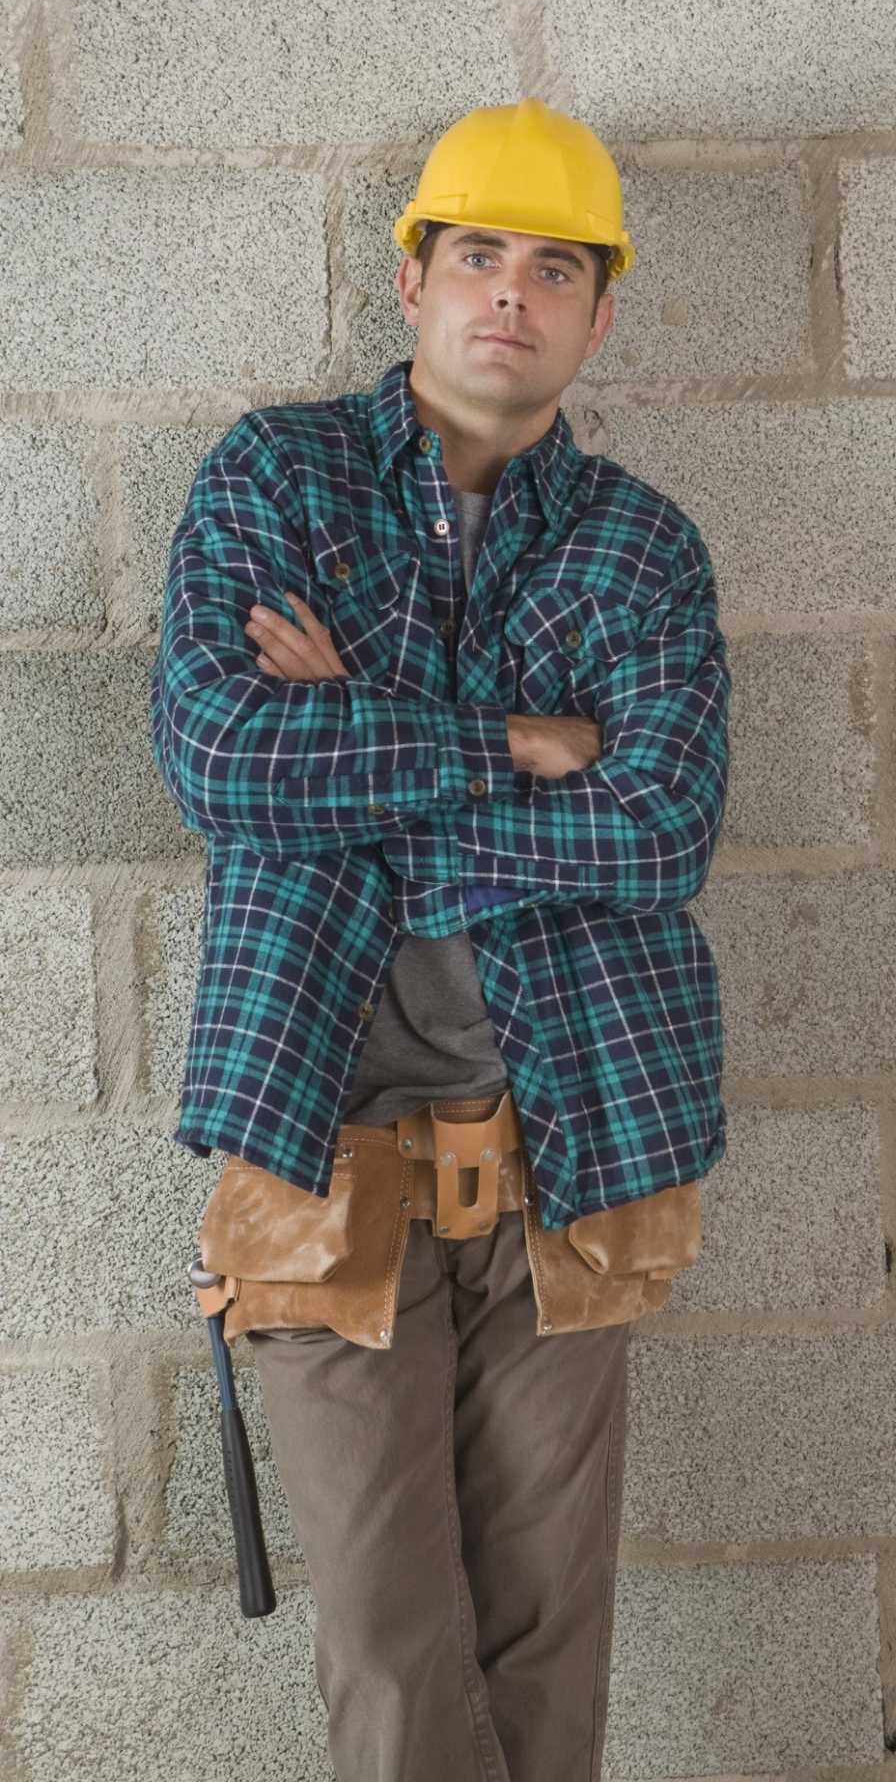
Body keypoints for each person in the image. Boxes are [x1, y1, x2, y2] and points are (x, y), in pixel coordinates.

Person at [150, 96, 732, 1781]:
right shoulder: (279, 477)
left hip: (576, 1154)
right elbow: (223, 754)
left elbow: (656, 829)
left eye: (556, 268)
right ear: (410, 279)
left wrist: (368, 741)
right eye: (477, 254)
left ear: (596, 314)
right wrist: (512, 742)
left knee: (550, 1640)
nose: (511, 294)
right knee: (394, 1660)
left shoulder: (639, 545)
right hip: (323, 1157)